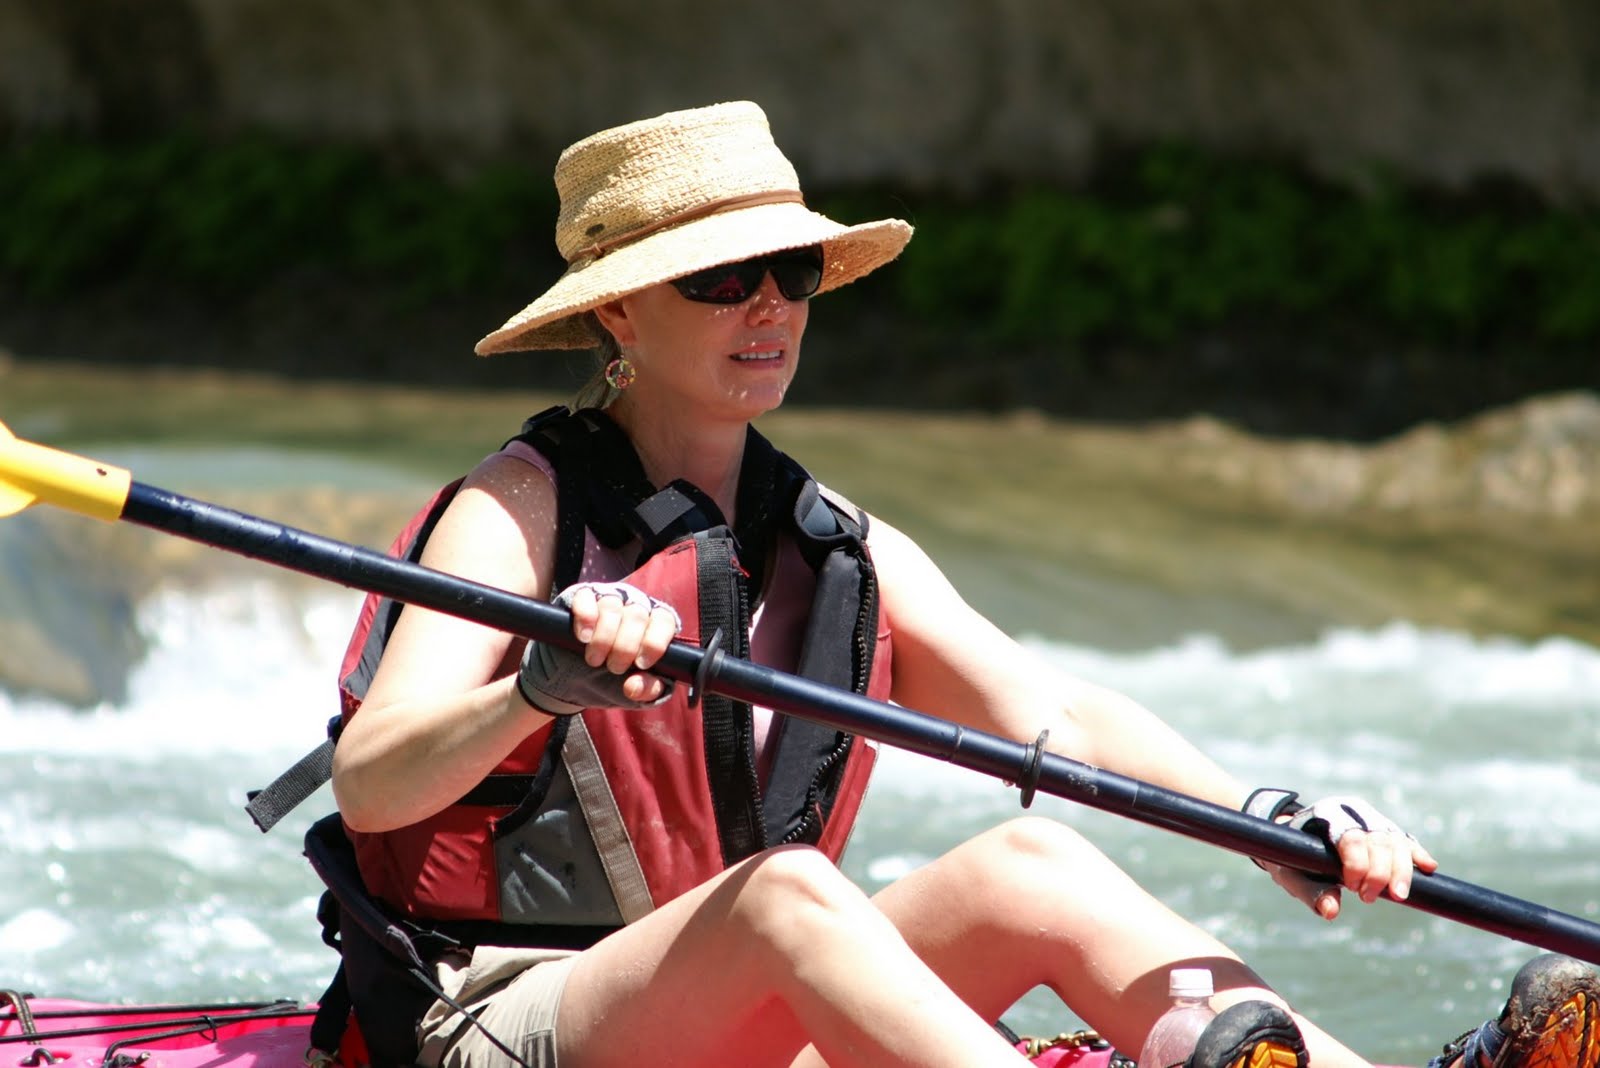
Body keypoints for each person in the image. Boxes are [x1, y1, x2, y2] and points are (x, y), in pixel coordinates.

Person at [324, 101, 1600, 1068]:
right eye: (719, 281)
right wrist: (538, 687)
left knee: (1030, 859)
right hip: (501, 1017)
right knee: (788, 896)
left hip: (725, 1019)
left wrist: (1265, 817)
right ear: (616, 318)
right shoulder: (519, 506)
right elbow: (376, 777)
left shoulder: (832, 542)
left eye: (793, 274)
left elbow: (1056, 718)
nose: (767, 308)